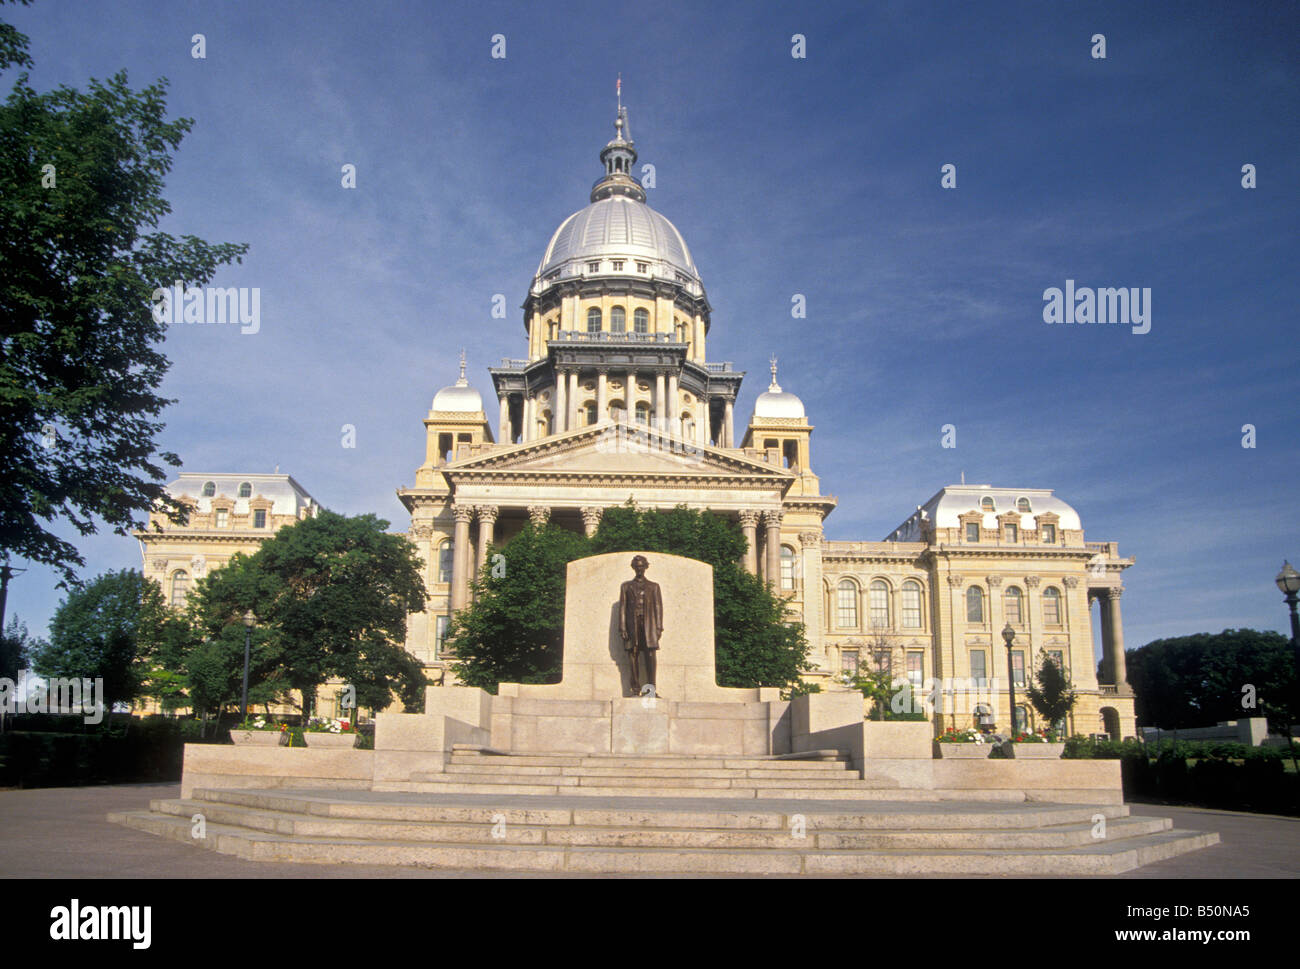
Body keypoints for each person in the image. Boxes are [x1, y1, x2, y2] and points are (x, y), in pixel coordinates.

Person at [618, 555, 663, 696]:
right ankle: (635, 689)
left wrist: (659, 627)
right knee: (633, 654)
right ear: (633, 567)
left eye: (642, 566)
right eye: (637, 566)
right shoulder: (626, 586)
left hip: (649, 625)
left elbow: (658, 607)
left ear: (646, 567)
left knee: (650, 655)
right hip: (632, 625)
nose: (639, 569)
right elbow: (622, 608)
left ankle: (650, 690)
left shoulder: (654, 586)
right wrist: (623, 627)